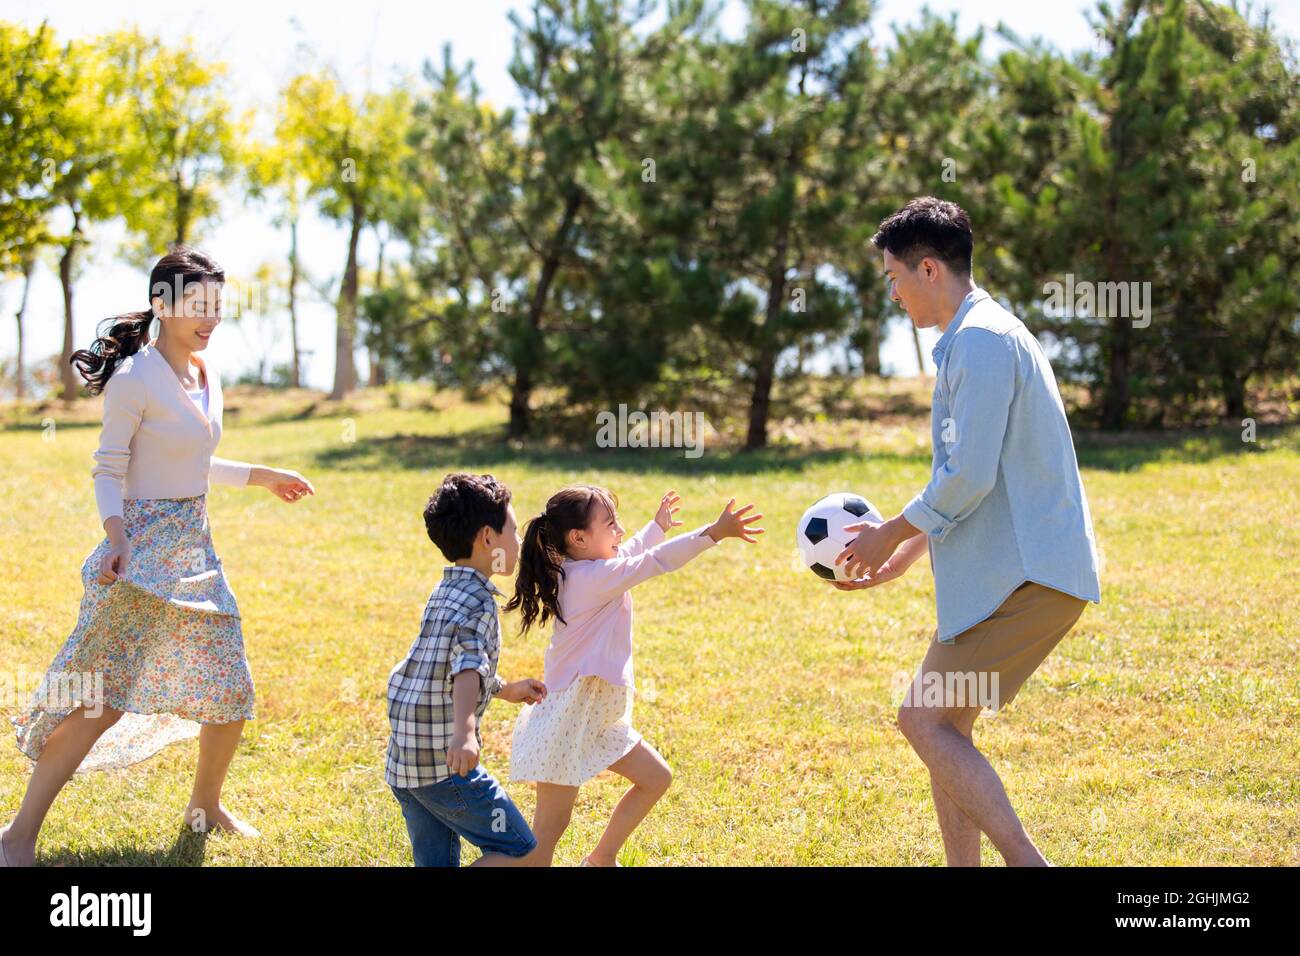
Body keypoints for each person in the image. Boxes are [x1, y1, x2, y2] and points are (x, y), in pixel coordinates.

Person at [1, 247, 315, 868]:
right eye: (199, 306)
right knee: (101, 700)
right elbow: (108, 469)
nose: (211, 318)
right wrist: (117, 538)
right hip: (140, 554)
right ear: (161, 305)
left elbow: (192, 464)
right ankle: (17, 838)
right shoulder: (134, 379)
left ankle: (205, 806)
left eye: (218, 306)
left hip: (196, 549)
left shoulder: (204, 374)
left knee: (230, 685)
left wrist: (264, 476)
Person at [833, 197, 1101, 866]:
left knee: (921, 721)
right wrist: (911, 548)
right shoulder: (977, 336)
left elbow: (969, 474)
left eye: (893, 277)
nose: (892, 294)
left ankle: (1025, 862)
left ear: (929, 268)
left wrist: (890, 533)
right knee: (943, 728)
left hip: (1026, 578)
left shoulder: (981, 341)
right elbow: (973, 474)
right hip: (1006, 577)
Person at [507, 485, 763, 866]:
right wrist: (712, 532)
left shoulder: (590, 569)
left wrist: (657, 527)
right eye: (610, 524)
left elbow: (630, 553)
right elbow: (652, 562)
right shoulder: (590, 579)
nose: (620, 530)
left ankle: (601, 859)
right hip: (570, 720)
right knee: (545, 839)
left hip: (597, 716)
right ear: (578, 538)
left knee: (656, 778)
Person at [385, 472, 548, 867]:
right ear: (488, 539)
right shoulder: (479, 603)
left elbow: (452, 663)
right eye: (513, 530)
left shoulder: (445, 591)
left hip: (406, 761)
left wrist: (505, 689)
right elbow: (466, 669)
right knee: (521, 850)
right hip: (445, 765)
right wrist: (465, 732)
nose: (519, 541)